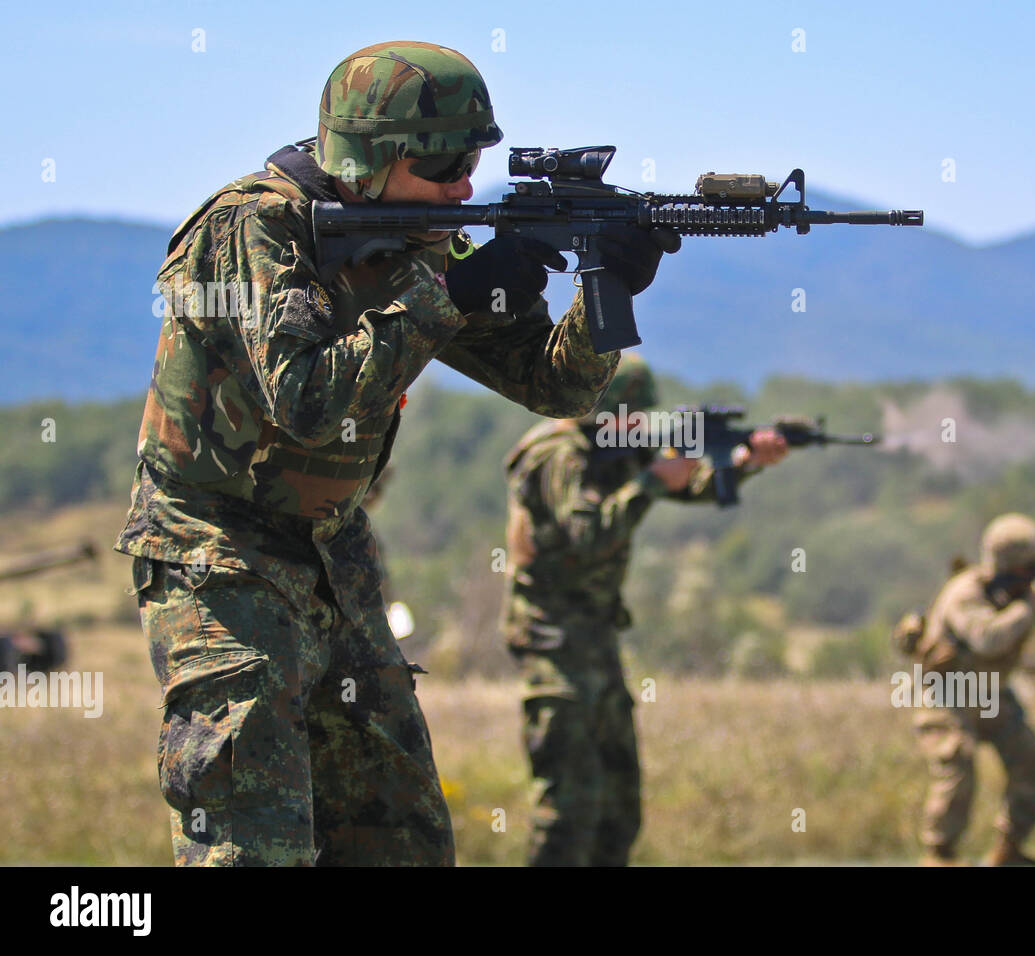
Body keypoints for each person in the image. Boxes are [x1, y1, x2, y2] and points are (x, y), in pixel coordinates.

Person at [115, 41, 671, 866]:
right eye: (443, 163)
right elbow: (307, 404)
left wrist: (606, 287)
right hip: (218, 553)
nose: (463, 187)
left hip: (332, 553)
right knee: (252, 840)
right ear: (367, 161)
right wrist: (445, 293)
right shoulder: (253, 228)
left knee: (396, 836)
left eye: (473, 160)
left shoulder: (415, 233)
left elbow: (555, 388)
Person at [500, 355, 790, 865]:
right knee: (570, 805)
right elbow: (584, 537)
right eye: (630, 415)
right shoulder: (557, 454)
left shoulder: (615, 447)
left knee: (618, 805)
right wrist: (652, 481)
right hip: (552, 642)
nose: (640, 426)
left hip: (595, 639)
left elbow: (691, 486)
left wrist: (745, 460)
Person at [908, 513, 1035, 866]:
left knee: (1030, 757)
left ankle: (1008, 852)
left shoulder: (1028, 592)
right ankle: (939, 855)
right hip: (949, 692)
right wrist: (1031, 606)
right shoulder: (964, 592)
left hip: (990, 694)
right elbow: (988, 639)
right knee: (958, 761)